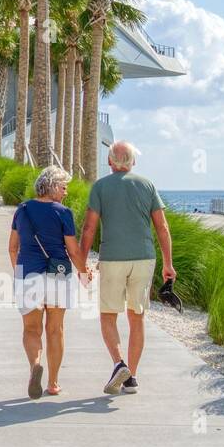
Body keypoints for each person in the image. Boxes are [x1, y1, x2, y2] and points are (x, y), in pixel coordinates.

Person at [79, 140, 174, 396]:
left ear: (110, 161)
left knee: (108, 315)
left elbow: (89, 228)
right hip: (144, 259)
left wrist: (81, 262)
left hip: (112, 259)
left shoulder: (100, 187)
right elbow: (162, 228)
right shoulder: (147, 185)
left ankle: (119, 364)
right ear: (133, 162)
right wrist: (168, 264)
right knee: (137, 316)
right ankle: (131, 377)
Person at [8, 165, 92, 399]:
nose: (66, 192)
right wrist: (84, 273)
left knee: (31, 329)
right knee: (55, 329)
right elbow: (74, 251)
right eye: (64, 187)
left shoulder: (22, 210)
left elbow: (12, 248)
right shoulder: (63, 213)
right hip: (58, 275)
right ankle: (53, 383)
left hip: (29, 275)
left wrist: (20, 274)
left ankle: (36, 364)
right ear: (54, 187)